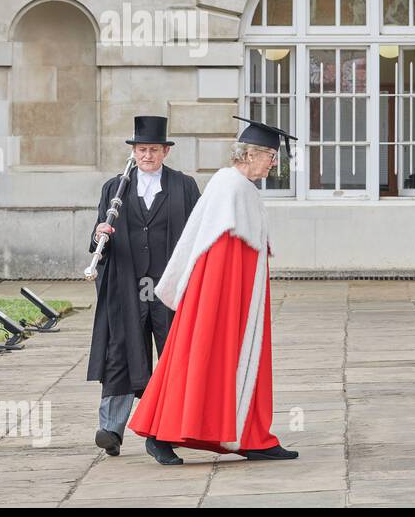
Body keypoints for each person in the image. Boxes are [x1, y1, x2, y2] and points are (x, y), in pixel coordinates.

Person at [128, 116, 299, 464]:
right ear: (250, 155)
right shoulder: (230, 186)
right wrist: (221, 305)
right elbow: (217, 253)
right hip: (220, 300)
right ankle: (161, 435)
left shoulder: (240, 187)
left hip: (238, 298)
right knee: (199, 360)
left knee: (227, 364)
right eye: (270, 156)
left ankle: (250, 436)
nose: (274, 163)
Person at [88, 116, 200, 457]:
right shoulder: (115, 188)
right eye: (141, 149)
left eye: (153, 149)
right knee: (120, 352)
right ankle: (111, 429)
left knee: (172, 355)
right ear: (134, 152)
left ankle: (163, 431)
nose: (147, 155)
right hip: (127, 283)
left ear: (165, 151)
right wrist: (99, 235)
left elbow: (198, 234)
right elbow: (98, 235)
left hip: (167, 286)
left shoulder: (184, 186)